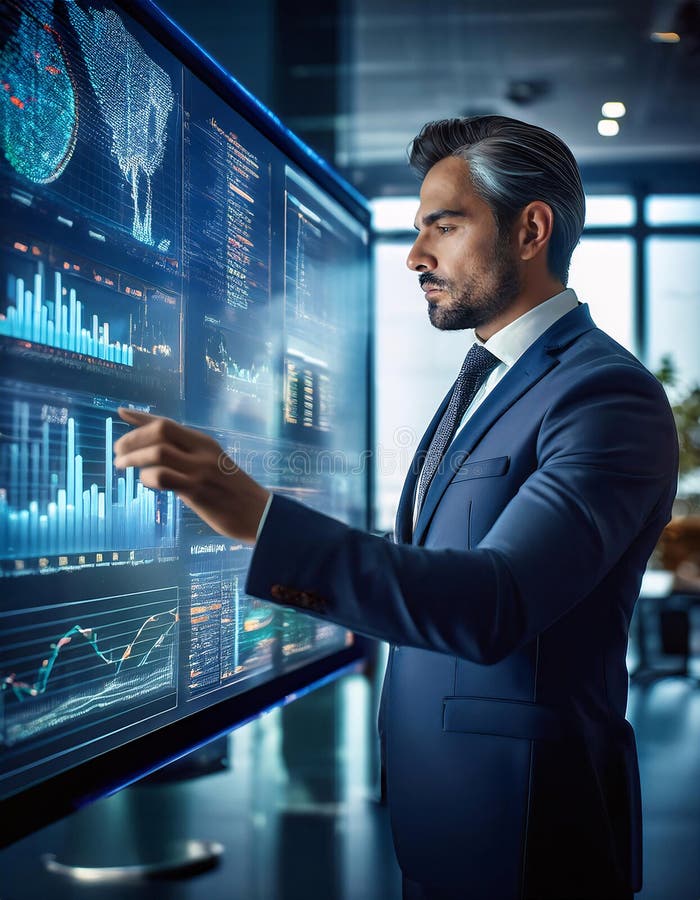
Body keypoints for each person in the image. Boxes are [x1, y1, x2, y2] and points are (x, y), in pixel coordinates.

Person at [113, 116, 679, 899]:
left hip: (526, 832)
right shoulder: (489, 379)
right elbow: (426, 558)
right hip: (445, 821)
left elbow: (496, 602)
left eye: (444, 226)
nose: (416, 256)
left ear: (531, 229)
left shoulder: (605, 394)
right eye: (418, 231)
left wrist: (259, 516)